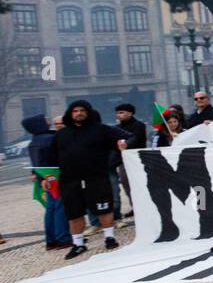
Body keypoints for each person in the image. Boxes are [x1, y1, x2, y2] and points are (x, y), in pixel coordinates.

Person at [50, 100, 131, 259]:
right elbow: (51, 158)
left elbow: (125, 139)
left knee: (104, 209)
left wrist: (123, 144)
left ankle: (109, 237)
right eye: (75, 111)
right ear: (70, 114)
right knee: (74, 213)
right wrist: (48, 177)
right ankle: (78, 244)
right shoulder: (60, 135)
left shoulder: (101, 130)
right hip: (70, 180)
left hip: (96, 177)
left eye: (82, 110)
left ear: (88, 112)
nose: (79, 113)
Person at [22, 114, 72, 250]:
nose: (48, 121)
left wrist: (41, 179)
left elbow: (37, 163)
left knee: (51, 208)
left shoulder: (34, 141)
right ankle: (63, 238)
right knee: (60, 207)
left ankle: (51, 240)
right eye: (44, 120)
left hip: (45, 178)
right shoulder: (50, 138)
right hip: (57, 176)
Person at [112, 102, 148, 216]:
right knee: (126, 183)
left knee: (140, 184)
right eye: (117, 113)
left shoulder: (139, 125)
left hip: (138, 159)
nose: (119, 115)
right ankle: (135, 207)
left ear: (130, 113)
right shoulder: (117, 128)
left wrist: (126, 144)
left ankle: (145, 206)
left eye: (121, 112)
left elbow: (136, 139)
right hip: (123, 160)